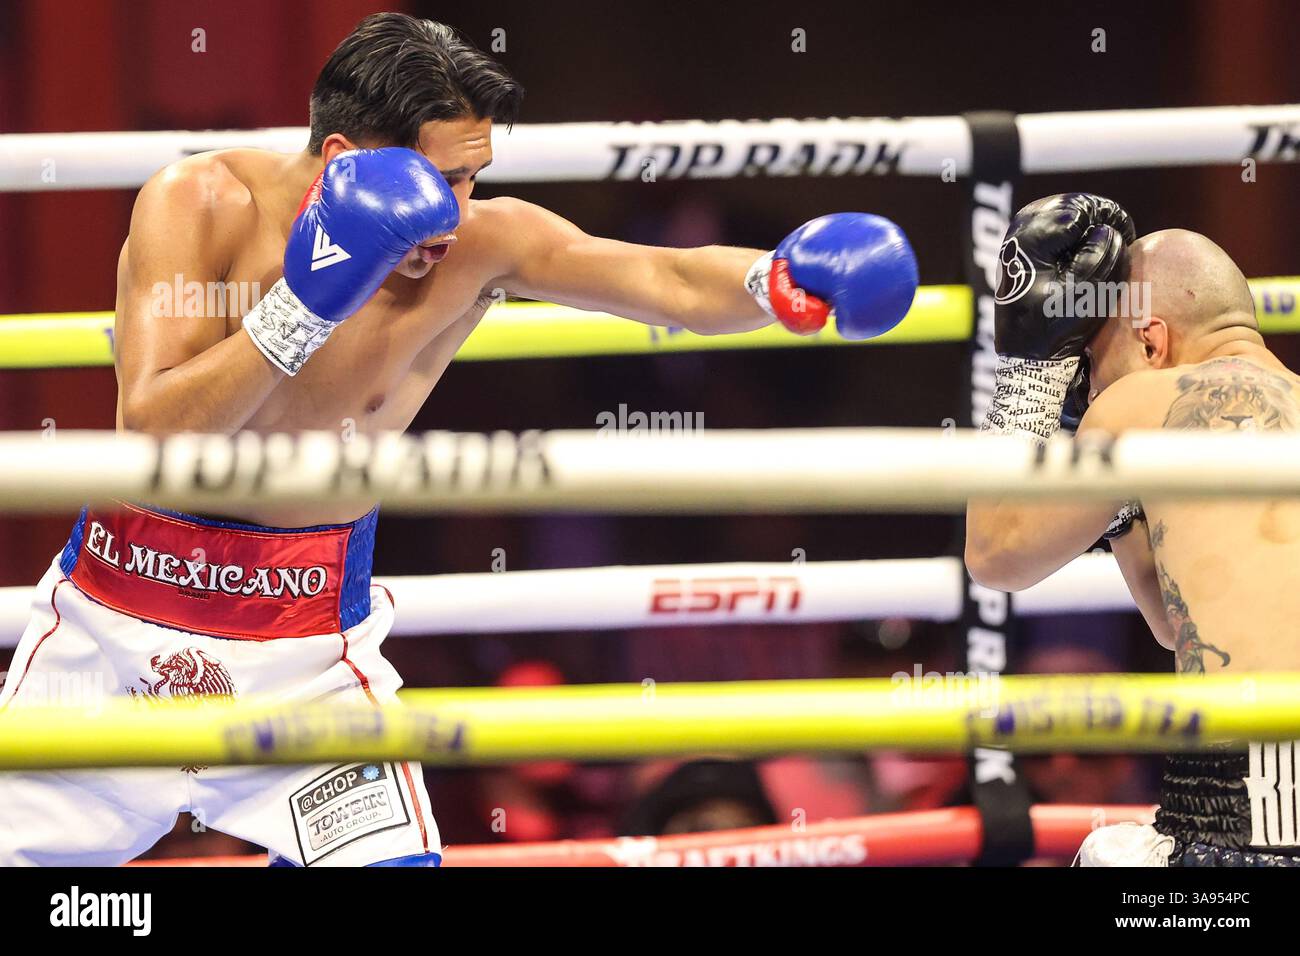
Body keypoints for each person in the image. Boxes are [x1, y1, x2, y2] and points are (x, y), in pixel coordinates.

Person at [0, 14, 917, 866]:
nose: (453, 211)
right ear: (341, 160)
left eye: (471, 178)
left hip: (307, 653)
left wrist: (776, 280)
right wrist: (308, 300)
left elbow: (668, 280)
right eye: (436, 183)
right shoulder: (200, 201)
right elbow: (153, 429)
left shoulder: (483, 240)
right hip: (115, 631)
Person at [965, 193, 1300, 866]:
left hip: (1250, 794)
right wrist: (1122, 514)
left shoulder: (1142, 400)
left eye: (1091, 361)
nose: (1086, 391)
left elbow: (996, 555)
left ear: (1152, 339)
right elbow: (1178, 625)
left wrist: (1031, 376)